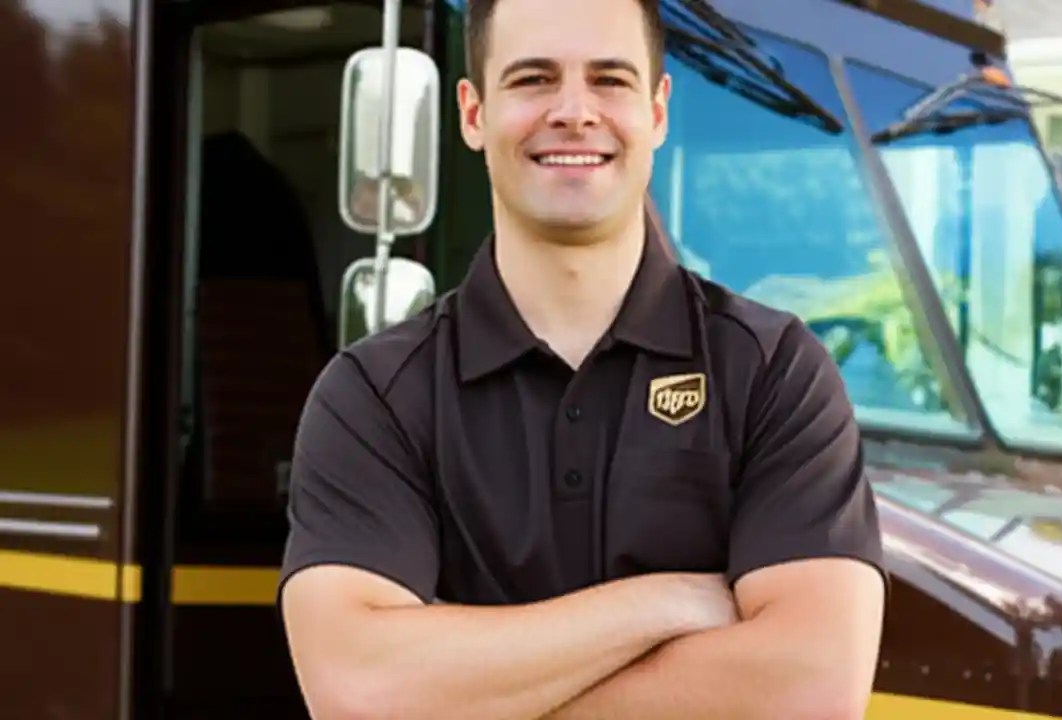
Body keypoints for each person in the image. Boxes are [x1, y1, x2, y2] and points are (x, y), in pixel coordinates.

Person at [277, 0, 887, 716]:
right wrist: (662, 602)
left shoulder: (774, 372)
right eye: (534, 79)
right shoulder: (372, 396)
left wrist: (469, 693)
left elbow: (808, 692)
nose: (574, 110)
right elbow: (361, 696)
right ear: (472, 113)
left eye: (610, 79)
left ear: (658, 110)